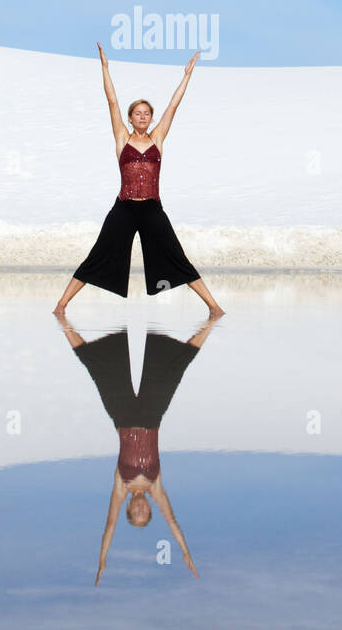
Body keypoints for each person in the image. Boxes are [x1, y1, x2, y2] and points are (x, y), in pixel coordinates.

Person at [51, 43, 224, 315]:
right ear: (131, 119)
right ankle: (61, 305)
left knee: (175, 254)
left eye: (147, 113)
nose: (143, 117)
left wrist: (187, 76)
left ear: (151, 118)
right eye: (138, 113)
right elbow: (112, 101)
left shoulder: (157, 138)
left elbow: (173, 105)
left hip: (152, 208)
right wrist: (105, 69)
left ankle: (214, 307)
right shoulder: (123, 138)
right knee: (100, 253)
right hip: (125, 207)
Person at [53, 306, 222, 583]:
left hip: (122, 414)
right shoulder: (155, 487)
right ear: (150, 509)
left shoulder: (122, 486)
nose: (142, 511)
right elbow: (173, 522)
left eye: (136, 514)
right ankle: (211, 324)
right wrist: (184, 551)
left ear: (130, 510)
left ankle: (63, 322)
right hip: (153, 414)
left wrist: (102, 560)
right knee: (176, 367)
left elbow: (109, 525)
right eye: (146, 515)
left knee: (95, 367)